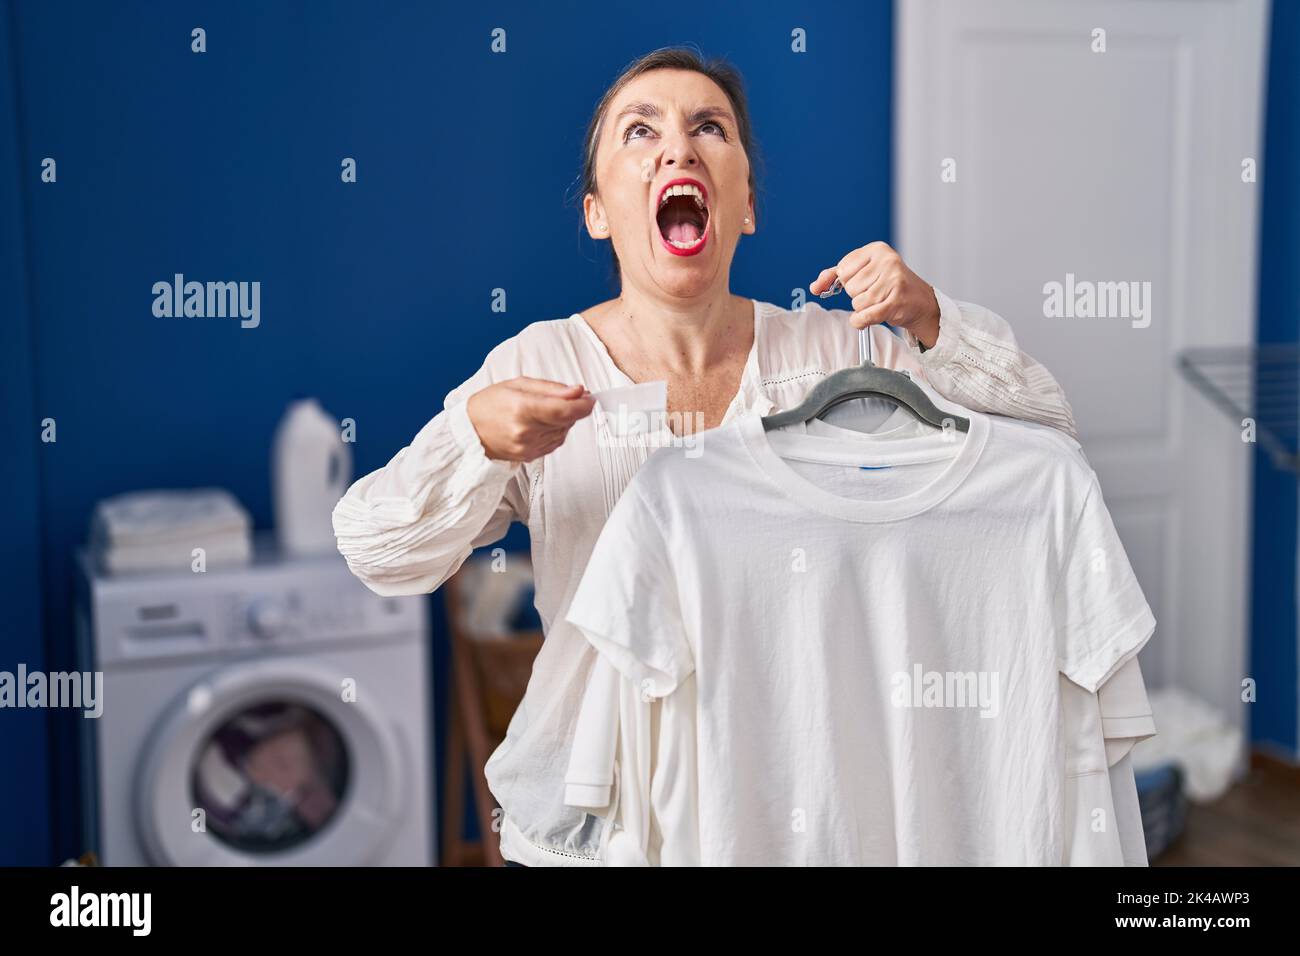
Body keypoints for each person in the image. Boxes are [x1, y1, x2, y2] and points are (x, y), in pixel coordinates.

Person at [332, 47, 1079, 866]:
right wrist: (472, 440)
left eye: (708, 129)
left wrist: (931, 318)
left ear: (746, 203)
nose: (677, 149)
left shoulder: (843, 355)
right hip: (599, 819)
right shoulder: (539, 365)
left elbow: (1047, 442)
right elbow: (377, 554)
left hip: (800, 812)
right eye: (639, 130)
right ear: (598, 211)